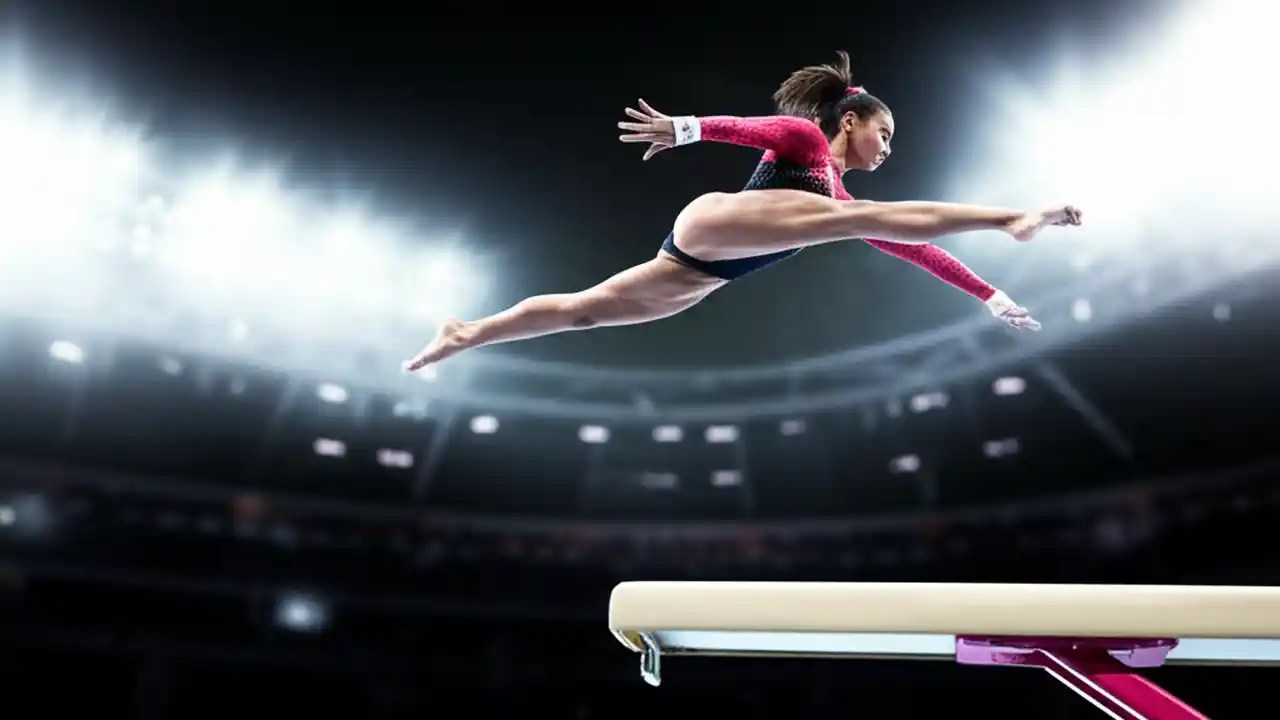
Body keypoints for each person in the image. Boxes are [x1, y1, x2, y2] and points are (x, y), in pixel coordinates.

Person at [401, 51, 1080, 374]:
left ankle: (468, 332)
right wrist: (685, 128)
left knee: (586, 311)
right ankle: (1010, 219)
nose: (888, 147)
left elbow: (914, 246)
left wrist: (989, 295)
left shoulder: (841, 202)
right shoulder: (807, 142)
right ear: (850, 121)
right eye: (885, 133)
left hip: (697, 270)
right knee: (858, 218)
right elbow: (753, 129)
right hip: (715, 220)